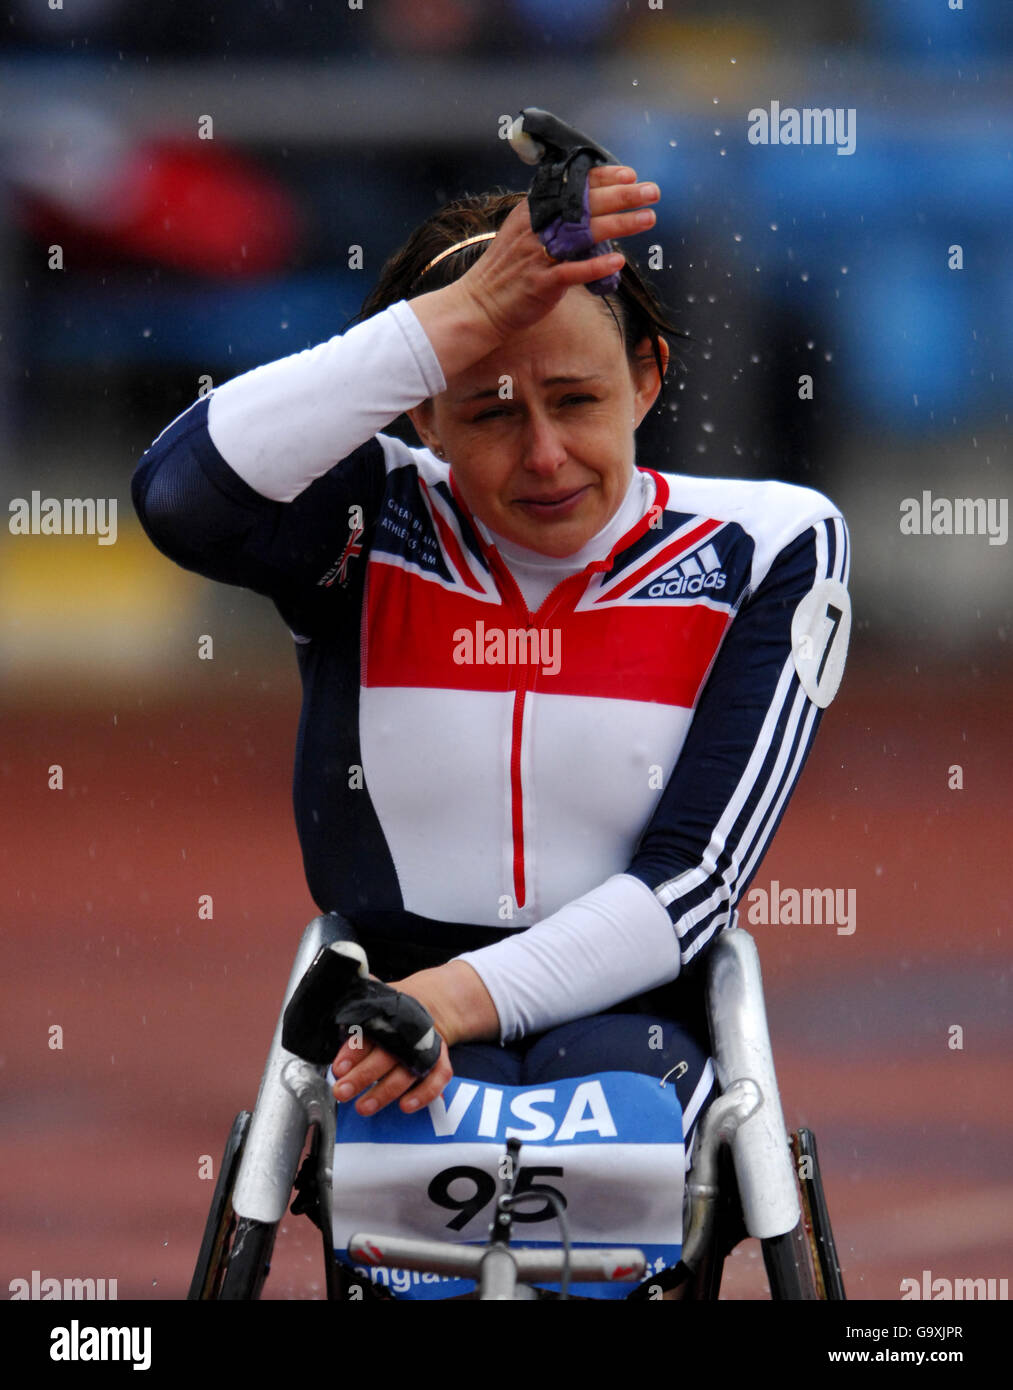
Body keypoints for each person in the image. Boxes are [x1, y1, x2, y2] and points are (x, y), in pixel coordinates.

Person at [132, 162, 849, 1284]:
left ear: (648, 377)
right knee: (410, 1180)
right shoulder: (371, 516)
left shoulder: (766, 546)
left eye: (575, 399)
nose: (546, 456)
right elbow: (179, 493)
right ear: (423, 408)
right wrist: (454, 317)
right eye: (488, 408)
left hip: (629, 994)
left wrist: (447, 1004)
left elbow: (695, 883)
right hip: (387, 989)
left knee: (603, 1171)